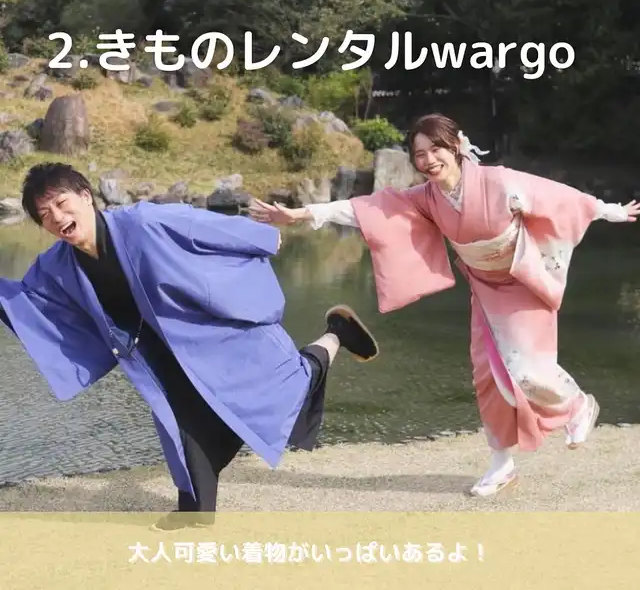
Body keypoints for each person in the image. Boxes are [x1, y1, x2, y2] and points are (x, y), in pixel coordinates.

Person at [249, 112, 640, 498]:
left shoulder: (497, 182)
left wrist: (611, 210)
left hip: (522, 281)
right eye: (419, 154)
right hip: (485, 289)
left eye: (436, 149)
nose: (429, 160)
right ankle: (501, 466)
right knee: (488, 378)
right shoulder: (427, 199)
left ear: (456, 146)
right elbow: (365, 209)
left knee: (525, 369)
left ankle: (576, 405)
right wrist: (301, 213)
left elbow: (557, 198)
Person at [0, 162, 379, 530]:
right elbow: (24, 304)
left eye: (61, 203)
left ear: (85, 196)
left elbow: (198, 225)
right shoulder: (57, 265)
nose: (57, 217)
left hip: (211, 331)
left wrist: (260, 237)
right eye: (45, 214)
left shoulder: (142, 222)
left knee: (290, 386)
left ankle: (335, 334)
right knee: (181, 424)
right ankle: (194, 511)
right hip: (158, 354)